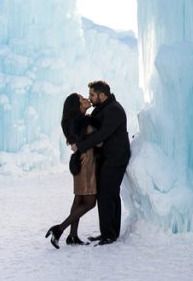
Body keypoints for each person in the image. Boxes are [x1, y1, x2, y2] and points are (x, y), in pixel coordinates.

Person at [71, 80, 130, 245]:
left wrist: (80, 146)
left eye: (92, 94)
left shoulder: (114, 110)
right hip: (107, 157)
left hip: (116, 157)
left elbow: (102, 134)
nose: (90, 98)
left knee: (107, 194)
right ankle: (108, 232)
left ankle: (109, 235)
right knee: (108, 194)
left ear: (102, 95)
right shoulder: (103, 108)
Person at [45, 93, 98, 249]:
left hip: (80, 159)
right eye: (82, 99)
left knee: (79, 199)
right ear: (77, 106)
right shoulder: (83, 122)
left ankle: (72, 236)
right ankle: (59, 229)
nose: (86, 100)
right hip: (87, 161)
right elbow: (98, 140)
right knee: (90, 202)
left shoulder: (75, 123)